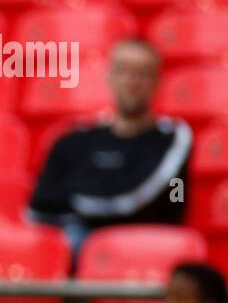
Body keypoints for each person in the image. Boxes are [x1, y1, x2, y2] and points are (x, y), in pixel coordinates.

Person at [29, 39, 192, 256]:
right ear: (109, 76)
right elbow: (40, 205)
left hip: (146, 249)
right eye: (123, 70)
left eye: (142, 73)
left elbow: (171, 204)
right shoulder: (72, 142)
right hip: (75, 245)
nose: (132, 82)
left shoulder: (172, 139)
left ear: (158, 82)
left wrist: (76, 201)